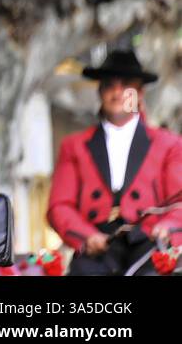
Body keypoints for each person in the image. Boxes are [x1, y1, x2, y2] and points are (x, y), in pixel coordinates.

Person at [47, 47, 182, 275]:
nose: (117, 92)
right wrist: (87, 236)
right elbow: (59, 205)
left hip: (147, 241)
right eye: (109, 84)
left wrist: (166, 227)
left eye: (126, 84)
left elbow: (179, 201)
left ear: (140, 93)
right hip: (97, 244)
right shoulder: (74, 146)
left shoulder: (168, 144)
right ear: (100, 91)